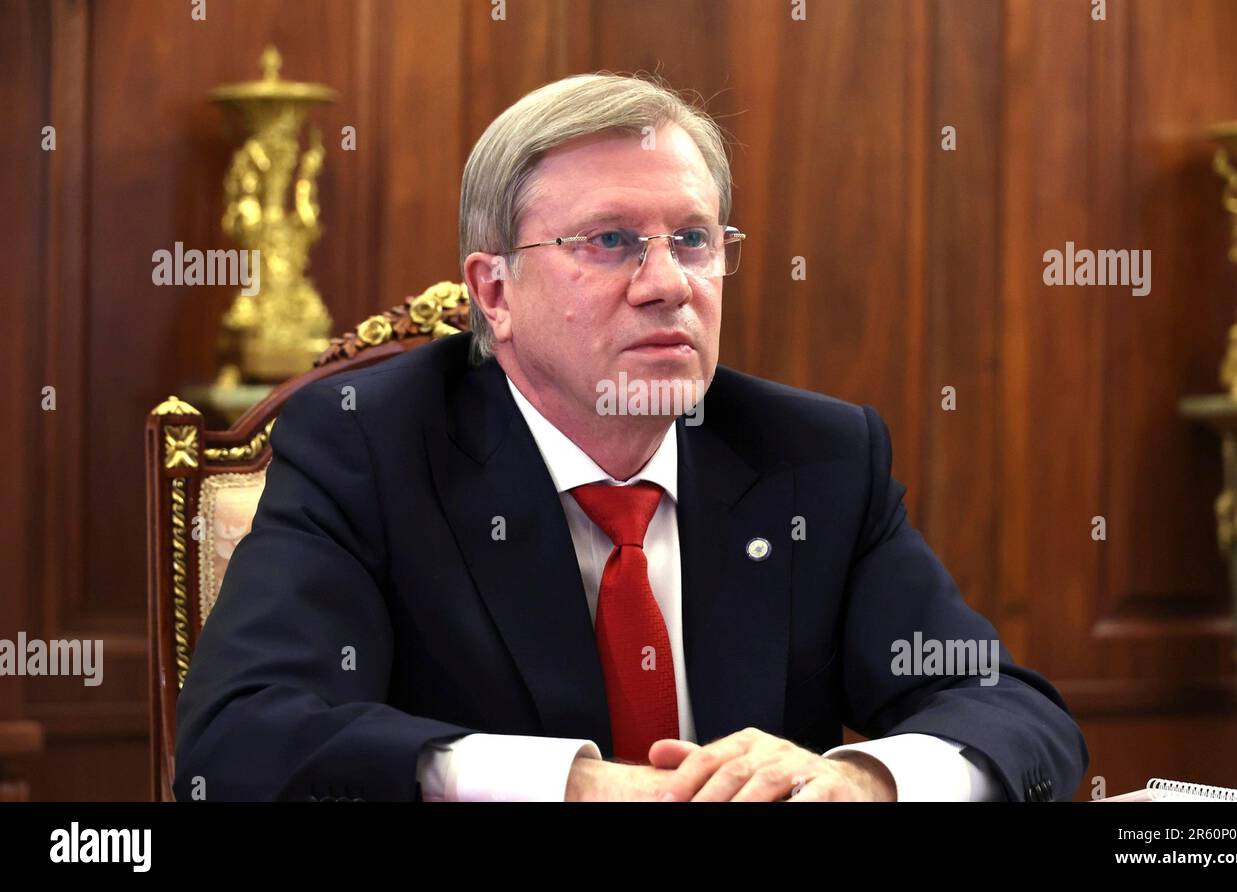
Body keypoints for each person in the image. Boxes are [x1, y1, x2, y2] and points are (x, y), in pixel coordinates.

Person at [174, 72, 1087, 802]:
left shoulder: (815, 457)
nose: (668, 284)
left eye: (693, 240)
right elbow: (240, 741)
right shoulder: (364, 446)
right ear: (494, 292)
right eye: (610, 241)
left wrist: (862, 778)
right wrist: (574, 786)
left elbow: (1014, 712)